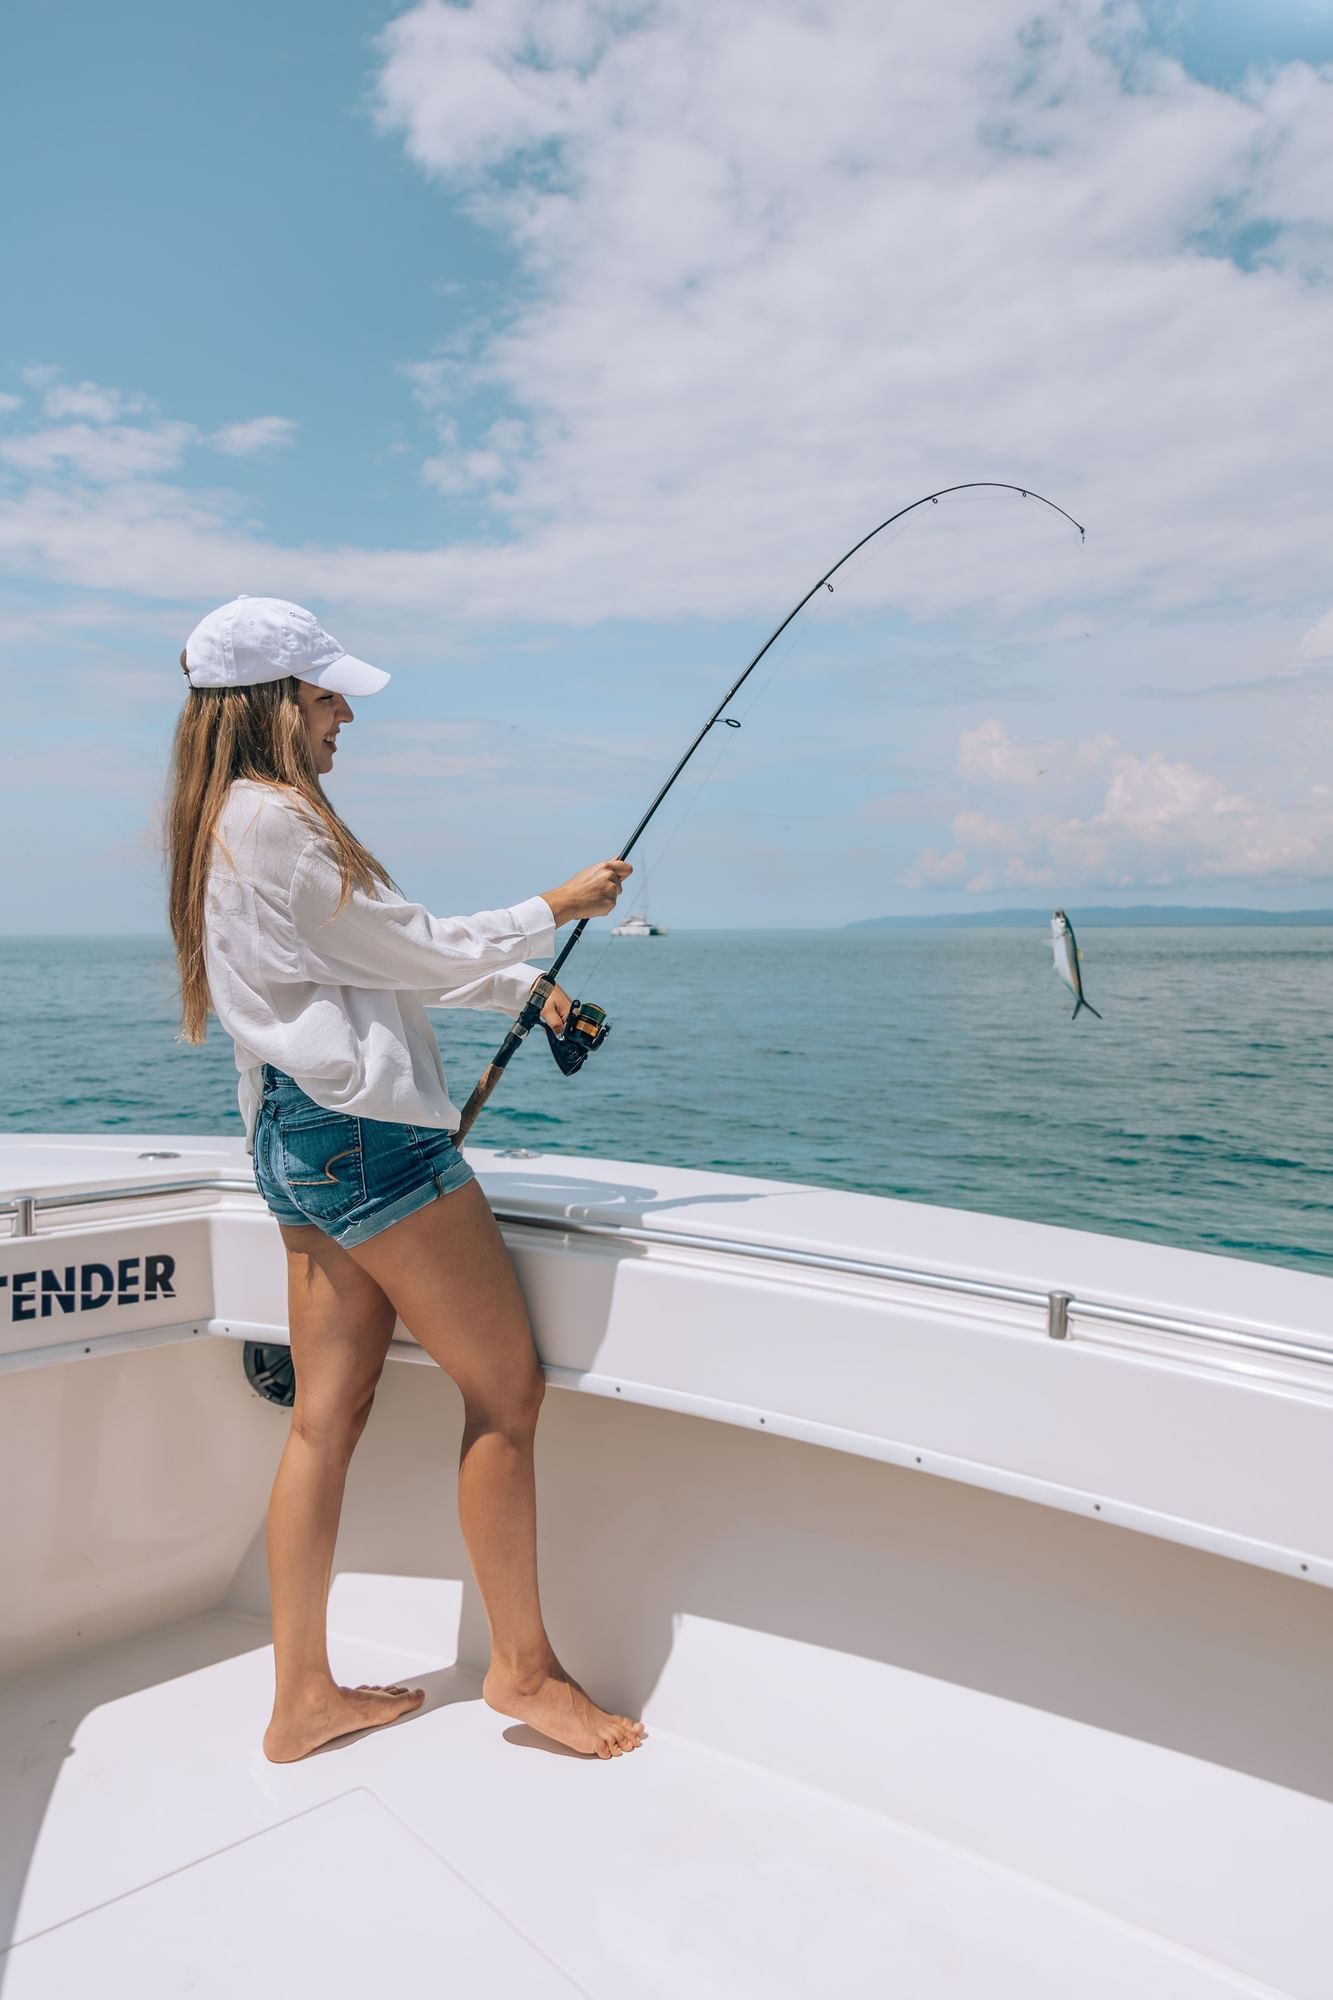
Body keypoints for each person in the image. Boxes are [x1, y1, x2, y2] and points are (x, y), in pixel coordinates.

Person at [165, 594, 645, 1764]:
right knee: (508, 1396)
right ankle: (524, 1674)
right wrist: (556, 908)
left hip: (295, 1135)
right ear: (276, 704)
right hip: (371, 1143)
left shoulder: (222, 820)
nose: (342, 716)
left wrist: (520, 984)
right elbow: (411, 946)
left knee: (326, 1420)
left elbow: (366, 963)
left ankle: (302, 1699)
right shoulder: (277, 818)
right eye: (328, 695)